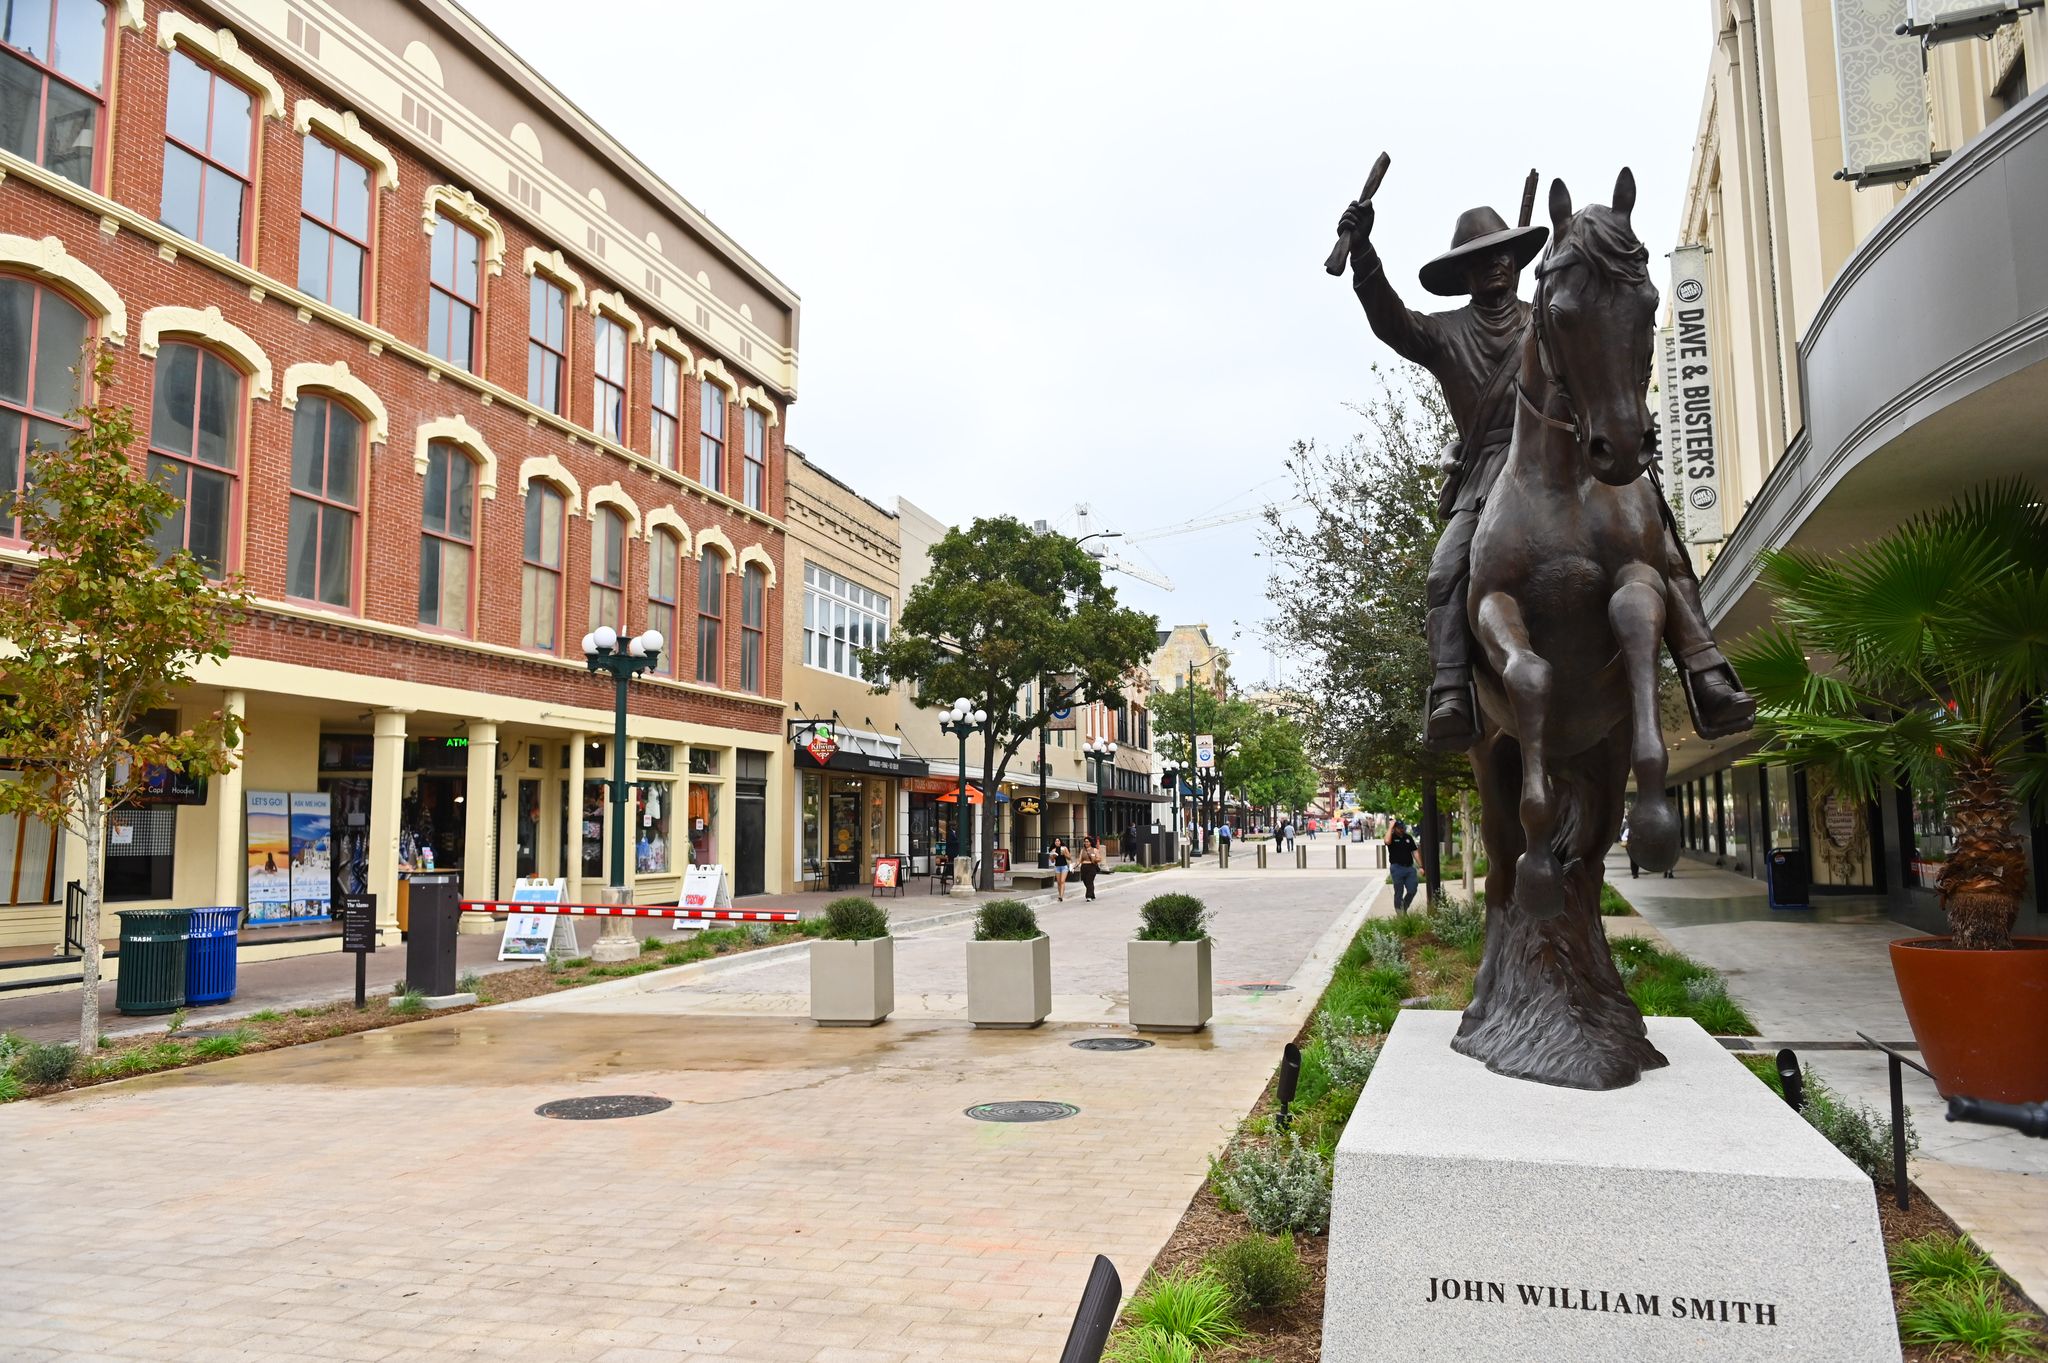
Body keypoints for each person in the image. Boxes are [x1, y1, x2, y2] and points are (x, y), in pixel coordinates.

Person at [1336, 188, 1754, 752]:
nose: (1498, 264)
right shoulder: (1445, 334)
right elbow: (1392, 322)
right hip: (1488, 473)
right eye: (1483, 259)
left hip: (1569, 455)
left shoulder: (1553, 314)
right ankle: (1452, 687)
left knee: (1661, 536)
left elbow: (1599, 357)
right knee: (1445, 570)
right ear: (1465, 275)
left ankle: (1703, 667)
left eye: (1505, 254)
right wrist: (1364, 255)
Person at [1387, 819, 1420, 913]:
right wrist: (1390, 827)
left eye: (1402, 827)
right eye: (1399, 828)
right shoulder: (1391, 837)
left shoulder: (1408, 838)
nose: (1401, 829)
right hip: (1397, 868)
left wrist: (1421, 866)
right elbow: (1386, 841)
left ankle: (1403, 907)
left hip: (1409, 868)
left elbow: (1415, 852)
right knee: (1399, 892)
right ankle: (1400, 913)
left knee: (1412, 889)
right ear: (1395, 828)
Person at [1079, 835, 1104, 901]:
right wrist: (1074, 866)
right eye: (1085, 842)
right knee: (1085, 881)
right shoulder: (1082, 850)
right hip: (1084, 867)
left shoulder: (1095, 850)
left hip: (1091, 867)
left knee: (1089, 881)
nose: (1086, 843)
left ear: (1090, 842)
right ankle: (1092, 894)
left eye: (1087, 842)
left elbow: (1099, 859)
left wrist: (1094, 859)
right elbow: (1079, 860)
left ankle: (1088, 896)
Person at [1050, 837, 1070, 902]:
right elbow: (1052, 861)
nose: (1057, 842)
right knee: (1058, 882)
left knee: (1062, 881)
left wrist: (1064, 854)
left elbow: (1069, 857)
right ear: (1054, 843)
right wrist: (1053, 856)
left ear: (1060, 842)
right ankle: (1059, 895)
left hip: (1064, 866)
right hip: (1057, 867)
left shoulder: (1064, 848)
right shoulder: (1053, 850)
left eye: (1058, 841)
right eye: (1056, 841)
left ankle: (1061, 896)